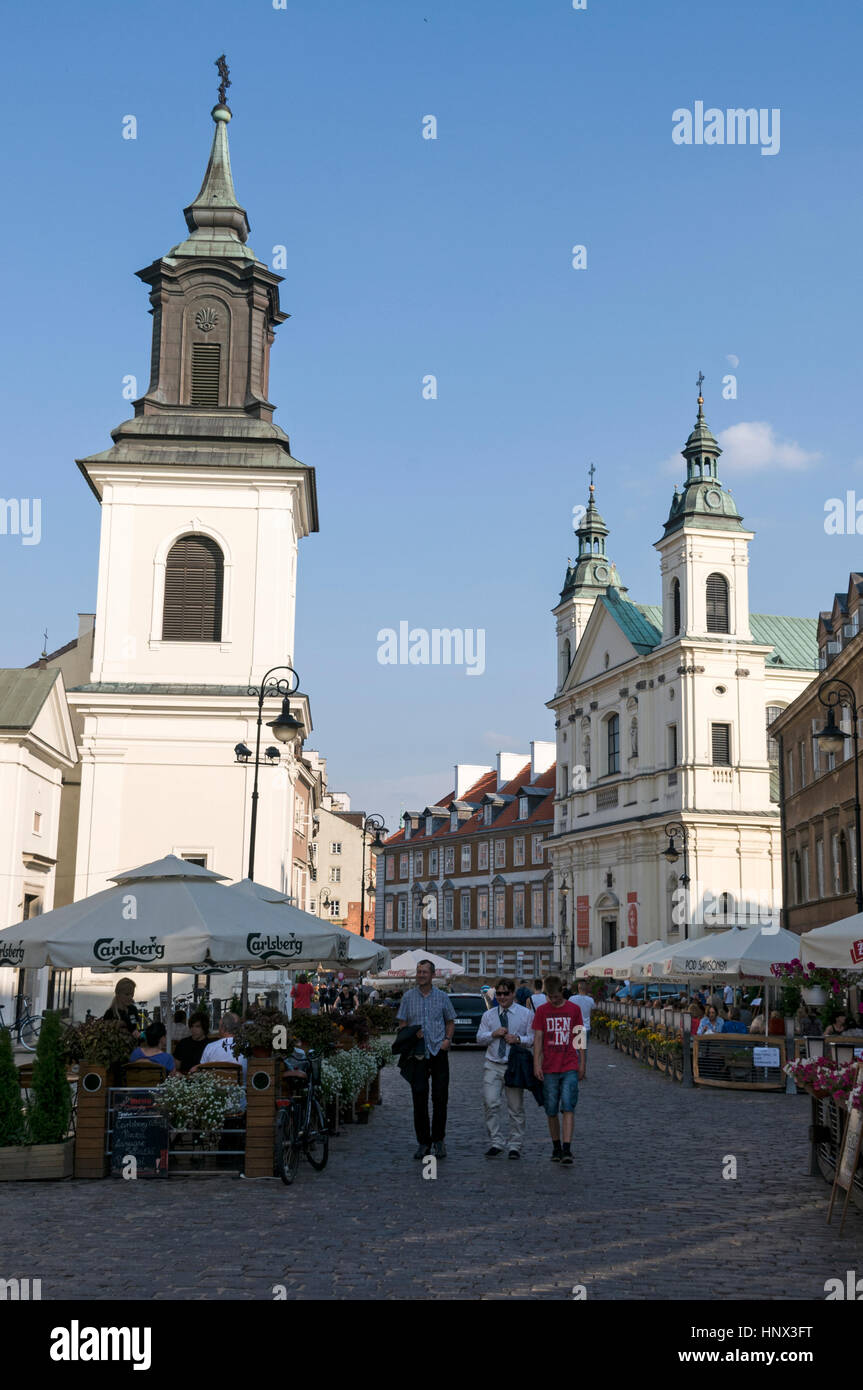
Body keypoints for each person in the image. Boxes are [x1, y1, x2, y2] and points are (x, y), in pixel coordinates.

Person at [395, 959, 456, 1160]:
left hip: (438, 1051)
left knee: (440, 1099)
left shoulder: (442, 997)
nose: (420, 975)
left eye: (424, 972)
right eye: (419, 972)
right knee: (419, 1099)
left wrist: (447, 1040)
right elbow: (402, 1026)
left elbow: (450, 1021)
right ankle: (423, 1142)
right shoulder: (408, 997)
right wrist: (411, 1036)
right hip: (418, 1054)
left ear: (432, 975)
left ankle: (439, 1140)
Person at [476, 978, 535, 1159]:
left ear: (512, 994)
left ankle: (515, 1145)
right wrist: (493, 1034)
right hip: (493, 1064)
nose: (502, 997)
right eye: (499, 994)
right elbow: (479, 1038)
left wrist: (518, 1039)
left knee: (515, 1107)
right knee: (490, 1103)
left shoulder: (525, 1014)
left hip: (514, 1066)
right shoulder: (489, 1015)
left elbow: (532, 1039)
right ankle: (496, 1141)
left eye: (505, 994)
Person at [532, 974, 585, 1166]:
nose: (553, 1000)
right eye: (549, 997)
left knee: (569, 1105)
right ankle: (556, 1146)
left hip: (569, 1064)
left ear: (561, 992)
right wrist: (536, 1064)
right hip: (549, 1067)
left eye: (555, 996)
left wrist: (583, 1063)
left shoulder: (574, 1009)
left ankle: (567, 1148)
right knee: (551, 1109)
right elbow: (538, 1039)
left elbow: (579, 1037)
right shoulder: (542, 1011)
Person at [195, 1011, 248, 1082]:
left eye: (219, 1027)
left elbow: (201, 1071)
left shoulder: (210, 1047)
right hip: (242, 1091)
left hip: (215, 1091)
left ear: (223, 1029)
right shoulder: (247, 1046)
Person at [568, 980, 596, 1079]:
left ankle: (575, 1069)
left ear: (578, 988)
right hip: (586, 1026)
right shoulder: (590, 1000)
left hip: (575, 1026)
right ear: (586, 988)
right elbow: (592, 1013)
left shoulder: (572, 999)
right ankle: (583, 1070)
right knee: (584, 1050)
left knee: (575, 1049)